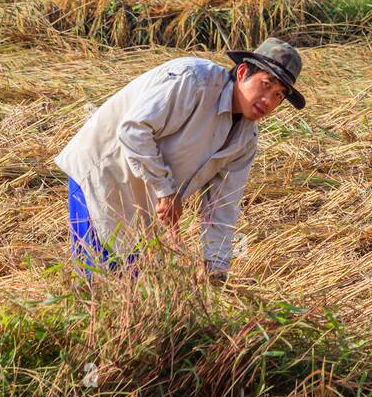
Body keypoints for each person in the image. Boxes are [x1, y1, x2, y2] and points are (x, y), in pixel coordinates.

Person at [55, 37, 306, 280]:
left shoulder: (245, 139)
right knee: (98, 283)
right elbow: (133, 131)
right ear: (242, 73)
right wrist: (165, 191)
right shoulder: (193, 81)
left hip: (142, 202)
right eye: (266, 84)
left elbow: (222, 205)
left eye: (279, 95)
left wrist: (215, 267)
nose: (269, 100)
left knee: (133, 290)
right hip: (101, 172)